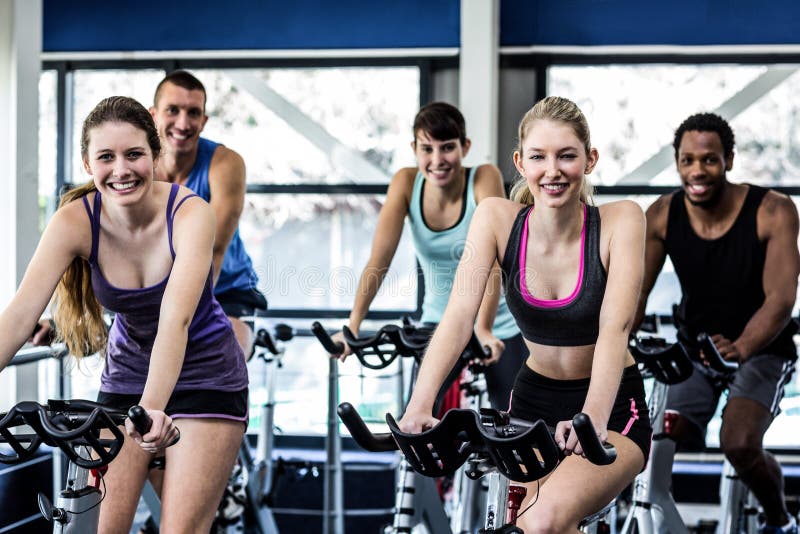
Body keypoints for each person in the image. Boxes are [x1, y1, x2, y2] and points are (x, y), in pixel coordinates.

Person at [399, 96, 652, 532]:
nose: (552, 170)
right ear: (520, 162)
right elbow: (459, 314)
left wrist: (590, 416)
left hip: (610, 405)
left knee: (546, 520)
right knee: (524, 524)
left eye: (567, 156)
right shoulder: (497, 217)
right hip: (532, 403)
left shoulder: (621, 221)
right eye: (538, 157)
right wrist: (421, 404)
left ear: (589, 160)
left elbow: (616, 328)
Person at [0, 96, 248, 533]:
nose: (121, 170)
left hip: (206, 375)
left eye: (134, 154)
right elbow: (20, 316)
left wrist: (150, 410)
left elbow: (176, 320)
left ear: (155, 155)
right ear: (87, 162)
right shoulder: (75, 221)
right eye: (106, 157)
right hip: (128, 375)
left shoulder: (189, 213)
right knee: (99, 528)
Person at [635, 112, 798, 534]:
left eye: (709, 160)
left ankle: (779, 519)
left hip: (762, 349)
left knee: (739, 444)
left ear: (728, 158)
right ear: (676, 161)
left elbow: (781, 300)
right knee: (658, 437)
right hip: (696, 349)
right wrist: (617, 342)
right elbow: (636, 292)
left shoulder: (773, 211)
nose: (697, 171)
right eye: (687, 160)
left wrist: (741, 347)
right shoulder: (661, 215)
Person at [333, 101, 527, 410]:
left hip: (501, 322)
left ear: (465, 146)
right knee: (418, 418)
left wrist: (484, 327)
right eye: (427, 149)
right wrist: (352, 325)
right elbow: (379, 259)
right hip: (440, 320)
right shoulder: (406, 183)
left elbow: (493, 263)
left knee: (514, 424)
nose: (437, 160)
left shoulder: (483, 177)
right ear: (414, 148)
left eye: (447, 147)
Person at [150, 70, 265, 357]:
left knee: (224, 358)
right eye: (172, 111)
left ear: (204, 120)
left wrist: (185, 324)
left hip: (224, 290)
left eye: (193, 113)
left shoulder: (225, 163)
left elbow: (213, 250)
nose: (183, 123)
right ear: (153, 115)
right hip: (155, 290)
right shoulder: (139, 167)